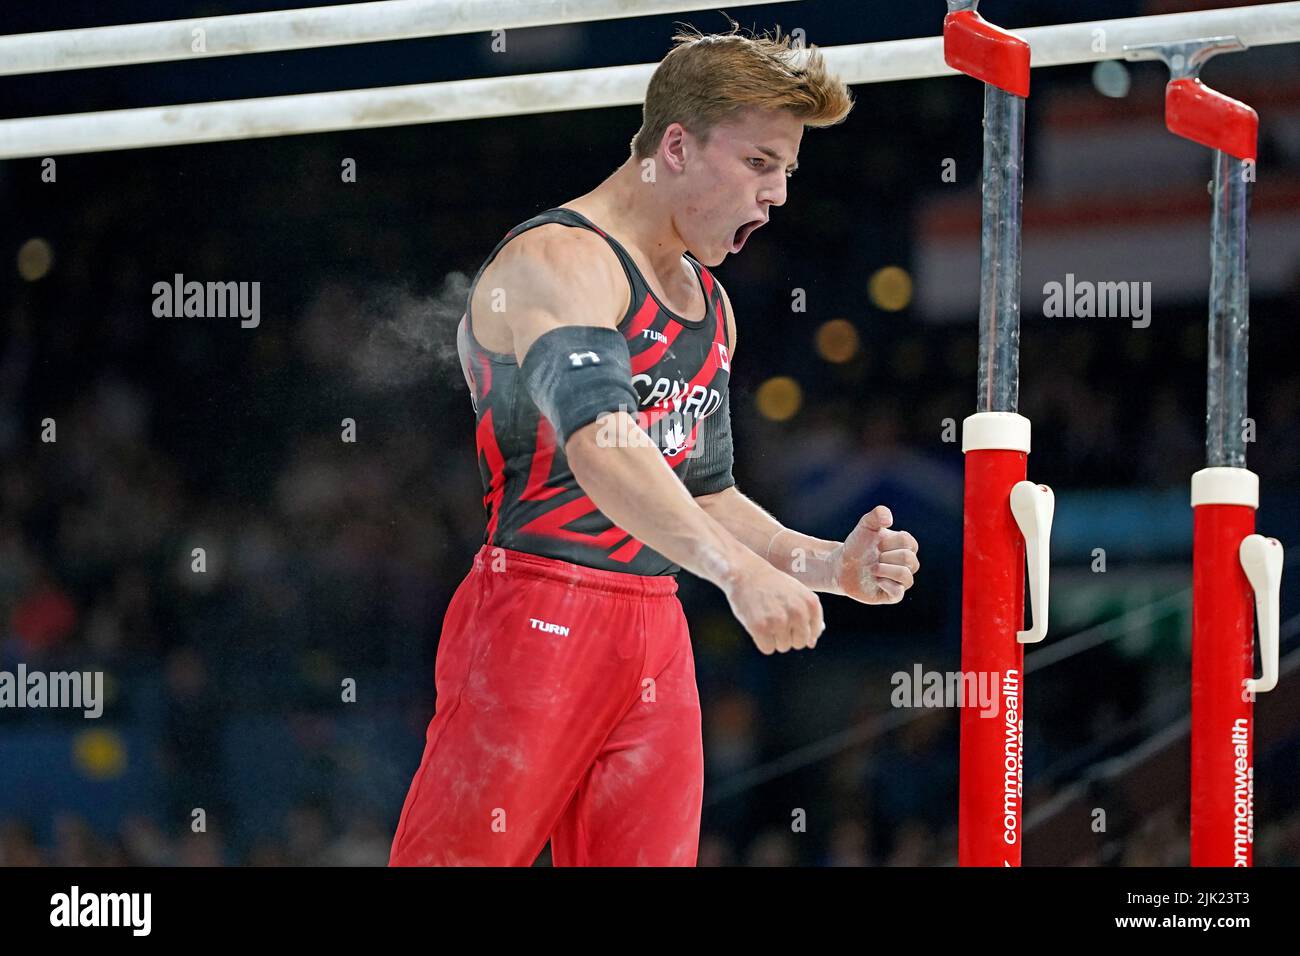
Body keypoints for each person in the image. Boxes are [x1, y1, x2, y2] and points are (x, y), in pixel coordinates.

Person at [390, 23, 920, 867]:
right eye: (759, 163)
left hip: (656, 629)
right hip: (537, 612)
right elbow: (602, 443)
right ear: (675, 146)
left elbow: (706, 492)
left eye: (787, 170)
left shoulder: (710, 305)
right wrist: (740, 575)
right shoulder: (558, 259)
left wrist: (821, 565)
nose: (778, 193)